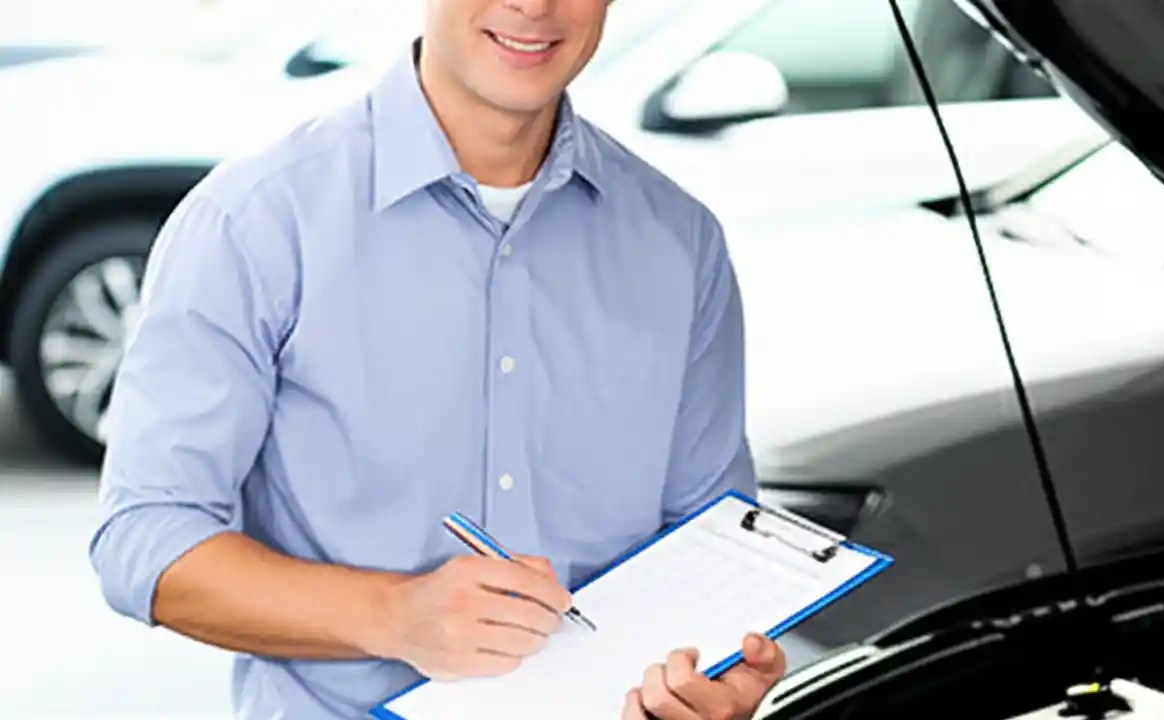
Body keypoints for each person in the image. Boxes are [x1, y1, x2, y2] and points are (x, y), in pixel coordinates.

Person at [89, 0, 786, 718]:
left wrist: (709, 680)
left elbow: (711, 539)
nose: (535, 5)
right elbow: (146, 539)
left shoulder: (680, 243)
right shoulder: (254, 222)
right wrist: (394, 615)